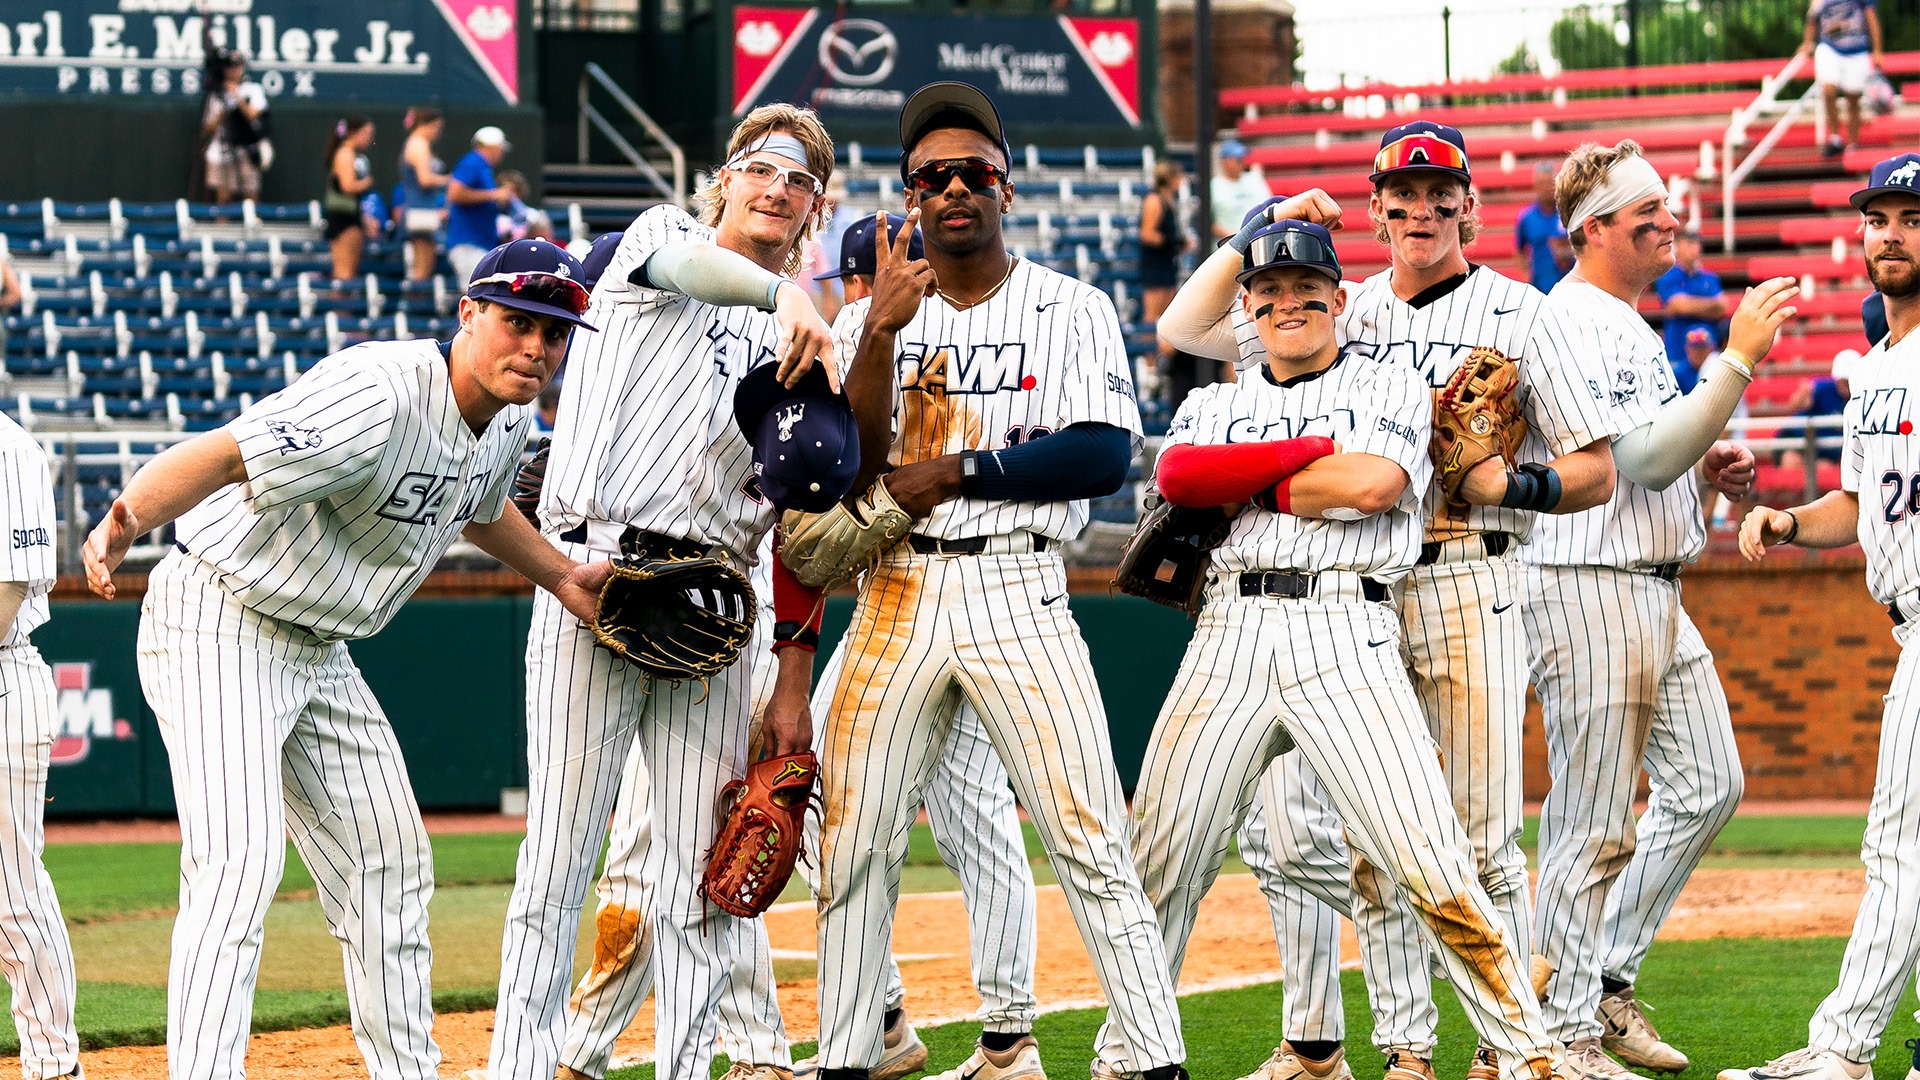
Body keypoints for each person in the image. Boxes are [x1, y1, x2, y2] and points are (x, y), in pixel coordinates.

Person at [1156, 119, 1622, 1080]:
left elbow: (1596, 471)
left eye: (1438, 192)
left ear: (1470, 206)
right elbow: (1183, 329)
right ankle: (1406, 1049)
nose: (1420, 209)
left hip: (1466, 569)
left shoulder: (1523, 315)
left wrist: (1511, 486)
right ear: (1373, 210)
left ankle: (1511, 1049)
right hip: (1350, 591)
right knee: (1367, 844)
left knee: (1481, 837)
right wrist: (1263, 226)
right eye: (1399, 195)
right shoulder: (1339, 301)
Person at [80, 238, 605, 1080]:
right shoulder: (380, 392)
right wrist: (124, 519)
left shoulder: (508, 421)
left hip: (322, 648)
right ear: (468, 313)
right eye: (518, 323)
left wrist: (564, 579)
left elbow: (480, 507)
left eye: (555, 333)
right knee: (240, 866)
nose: (536, 349)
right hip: (223, 616)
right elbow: (226, 450)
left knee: (391, 865)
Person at [816, 80, 1188, 1080]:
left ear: (1006, 187)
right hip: (892, 594)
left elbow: (1104, 455)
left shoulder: (1071, 305)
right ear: (908, 197)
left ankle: (1157, 1062)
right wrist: (883, 333)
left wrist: (955, 470)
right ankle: (851, 1057)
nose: (952, 189)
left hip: (1016, 589)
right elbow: (849, 475)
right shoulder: (868, 325)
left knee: (1088, 840)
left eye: (973, 171)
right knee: (850, 848)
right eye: (929, 176)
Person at [474, 102, 840, 1080]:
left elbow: (800, 515)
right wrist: (787, 296)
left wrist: (792, 674)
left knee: (694, 883)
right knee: (556, 868)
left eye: (798, 179)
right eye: (760, 167)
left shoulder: (799, 347)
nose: (776, 187)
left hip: (715, 608)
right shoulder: (659, 237)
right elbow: (694, 273)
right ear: (724, 176)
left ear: (816, 206)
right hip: (593, 578)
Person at [1522, 139, 1797, 1079]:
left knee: (1710, 784)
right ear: (1591, 230)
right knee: (1591, 825)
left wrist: (1712, 477)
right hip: (1587, 589)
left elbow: (1659, 467)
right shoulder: (1571, 320)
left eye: (1666, 210)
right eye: (1646, 217)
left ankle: (1600, 985)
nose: (1668, 224)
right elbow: (1636, 463)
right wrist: (1738, 365)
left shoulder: (1626, 323)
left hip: (1652, 590)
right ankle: (1555, 1036)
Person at [1730, 150, 1920, 1080]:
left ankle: (1842, 1050)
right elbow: (1858, 502)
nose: (1892, 232)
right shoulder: (1876, 365)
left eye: (1913, 217)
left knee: (1898, 841)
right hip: (1906, 619)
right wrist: (1788, 519)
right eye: (1880, 216)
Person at [0, 410, 81, 1080]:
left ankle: (55, 1065)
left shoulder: (11, 450)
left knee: (11, 890)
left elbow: (5, 595)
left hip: (2, 676)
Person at [1798, 0, 1884, 157]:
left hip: (1857, 49)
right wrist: (1807, 42)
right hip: (1829, 47)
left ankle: (1852, 144)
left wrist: (1877, 50)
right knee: (1828, 90)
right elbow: (1812, 19)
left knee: (1853, 98)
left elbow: (1871, 17)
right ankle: (1835, 137)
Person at [1140, 159, 1193, 398]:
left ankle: (1163, 361)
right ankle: (1150, 366)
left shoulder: (1167, 199)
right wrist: (1177, 243)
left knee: (1167, 314)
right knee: (1153, 315)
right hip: (1156, 265)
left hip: (1167, 264)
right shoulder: (1155, 200)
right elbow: (1148, 234)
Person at [1655, 229, 1726, 388]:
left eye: (1697, 243)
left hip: (1709, 353)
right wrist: (1709, 306)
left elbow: (1722, 307)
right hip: (1679, 352)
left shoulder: (1709, 277)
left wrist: (1689, 305)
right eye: (1690, 242)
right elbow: (1678, 305)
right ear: (1678, 245)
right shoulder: (1668, 275)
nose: (1696, 247)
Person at [447, 127, 515, 286]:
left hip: (479, 243)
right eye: (499, 148)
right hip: (469, 244)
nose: (501, 153)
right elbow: (454, 194)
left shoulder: (482, 167)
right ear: (490, 146)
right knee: (475, 297)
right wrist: (495, 194)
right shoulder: (473, 161)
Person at [200, 49, 269, 205]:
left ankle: (252, 227)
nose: (233, 71)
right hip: (222, 151)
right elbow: (207, 129)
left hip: (247, 149)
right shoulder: (216, 94)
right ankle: (222, 227)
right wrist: (224, 109)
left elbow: (254, 116)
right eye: (230, 67)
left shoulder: (253, 90)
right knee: (223, 199)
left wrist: (236, 96)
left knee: (250, 197)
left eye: (237, 67)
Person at [323, 116, 376, 281]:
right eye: (366, 133)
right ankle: (341, 307)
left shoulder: (348, 153)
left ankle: (342, 307)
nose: (369, 139)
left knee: (347, 272)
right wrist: (366, 183)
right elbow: (347, 186)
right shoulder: (346, 154)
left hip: (346, 216)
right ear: (353, 132)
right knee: (345, 273)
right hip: (344, 219)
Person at [399, 107, 449, 282]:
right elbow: (425, 180)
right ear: (427, 125)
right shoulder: (419, 144)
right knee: (422, 268)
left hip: (422, 207)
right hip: (420, 208)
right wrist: (450, 180)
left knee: (425, 266)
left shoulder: (415, 143)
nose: (438, 133)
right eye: (437, 128)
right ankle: (414, 306)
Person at [1516, 161, 1572, 294]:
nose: (1546, 187)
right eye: (1542, 183)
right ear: (1535, 185)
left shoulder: (1569, 213)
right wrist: (1526, 275)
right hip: (1540, 289)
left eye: (1549, 183)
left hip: (1569, 288)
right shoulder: (1527, 218)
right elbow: (1519, 250)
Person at [1211, 139, 1271, 243]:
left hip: (1257, 241)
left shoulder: (1254, 179)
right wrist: (1236, 238)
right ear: (1224, 161)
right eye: (1236, 159)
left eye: (1242, 158)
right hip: (1228, 245)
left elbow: (1269, 207)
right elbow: (1206, 223)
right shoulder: (1214, 186)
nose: (1241, 162)